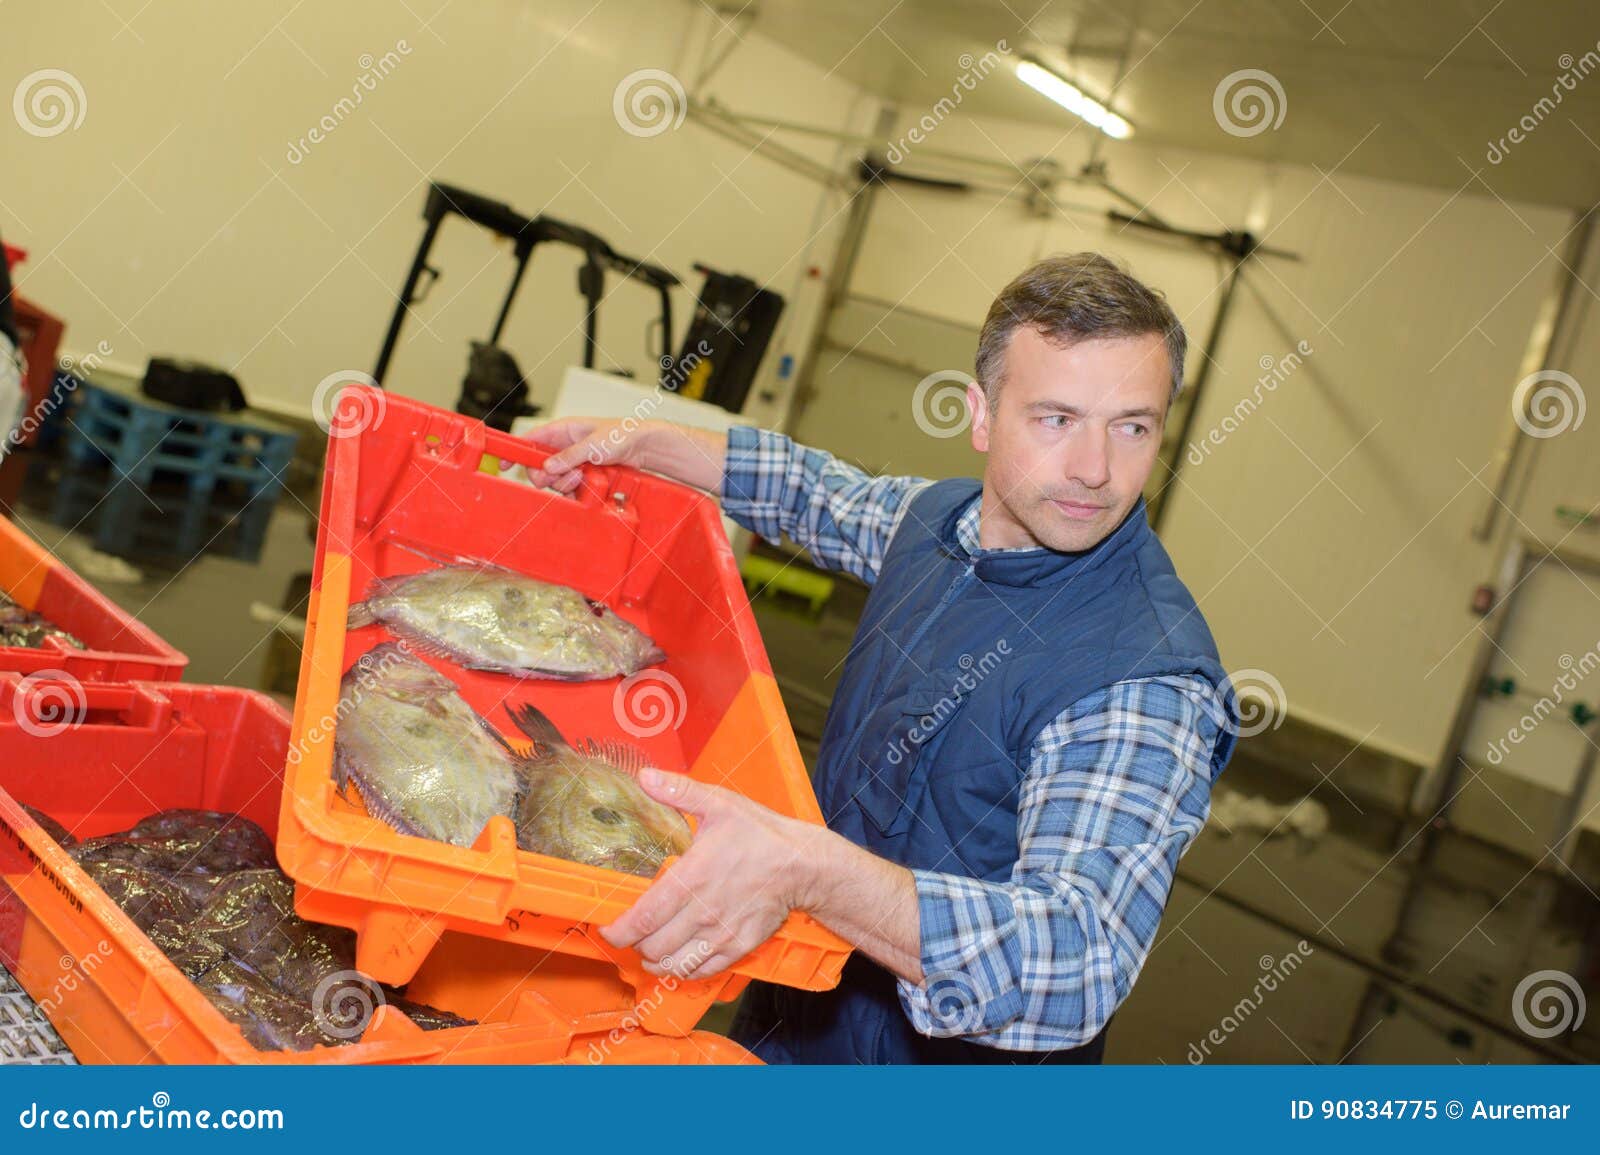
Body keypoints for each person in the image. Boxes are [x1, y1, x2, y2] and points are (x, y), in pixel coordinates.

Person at [518, 252, 1239, 1063]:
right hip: (798, 1017)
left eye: (1132, 426)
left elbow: (1075, 963)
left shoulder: (1143, 678)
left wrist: (816, 875)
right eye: (1055, 419)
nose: (1095, 470)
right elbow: (817, 493)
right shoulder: (943, 524)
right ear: (981, 414)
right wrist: (650, 441)